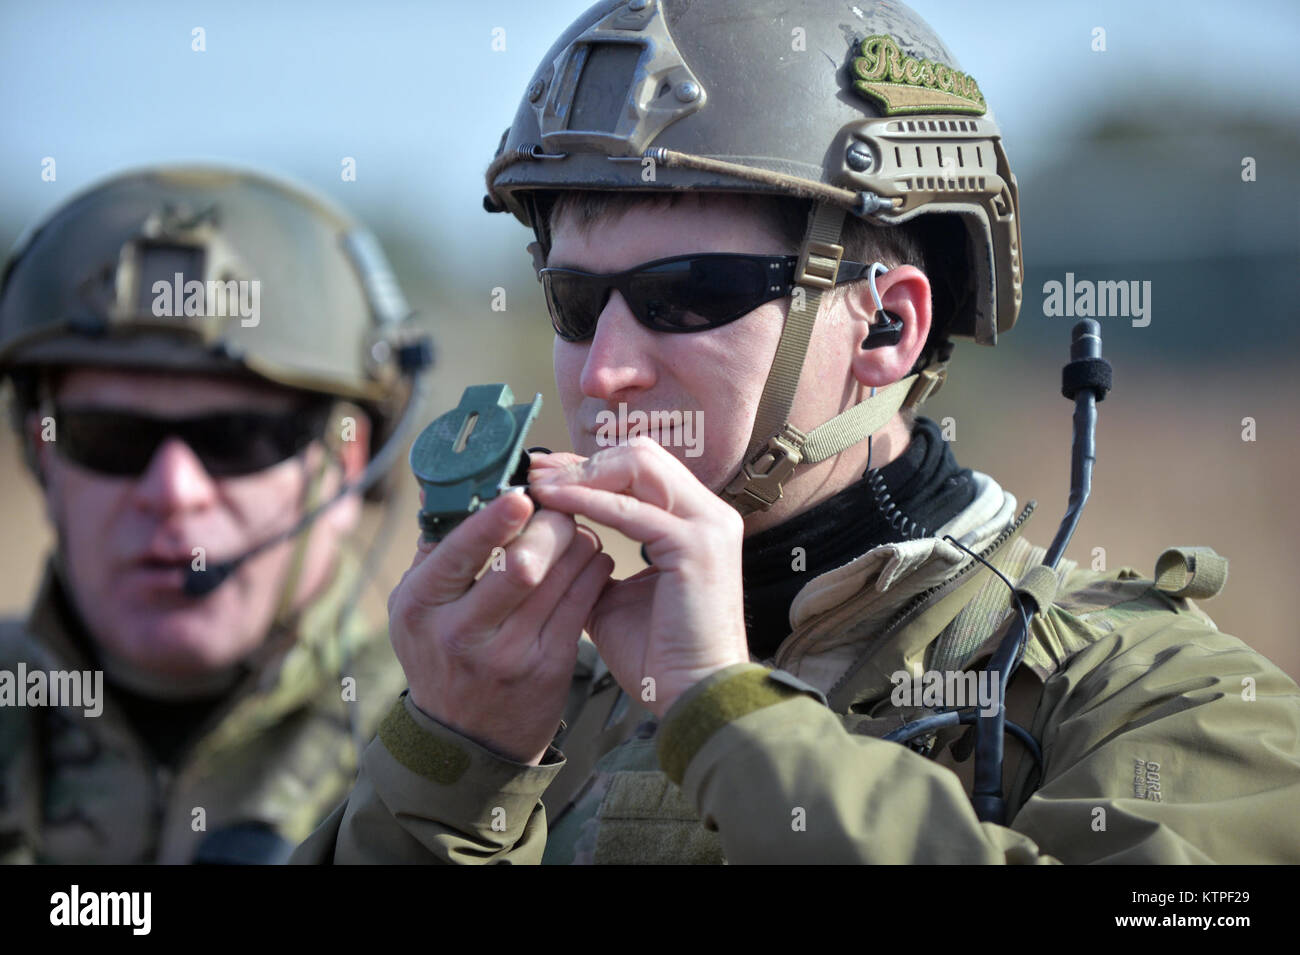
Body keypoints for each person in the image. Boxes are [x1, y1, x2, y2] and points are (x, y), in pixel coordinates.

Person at [294, 0, 1300, 864]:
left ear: (888, 326)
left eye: (684, 296)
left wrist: (726, 716)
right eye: (572, 302)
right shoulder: (529, 690)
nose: (603, 369)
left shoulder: (1167, 701)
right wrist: (452, 761)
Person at [0, 165, 431, 863]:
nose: (173, 491)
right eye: (110, 437)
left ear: (349, 464)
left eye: (239, 440)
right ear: (41, 453)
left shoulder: (485, 741)